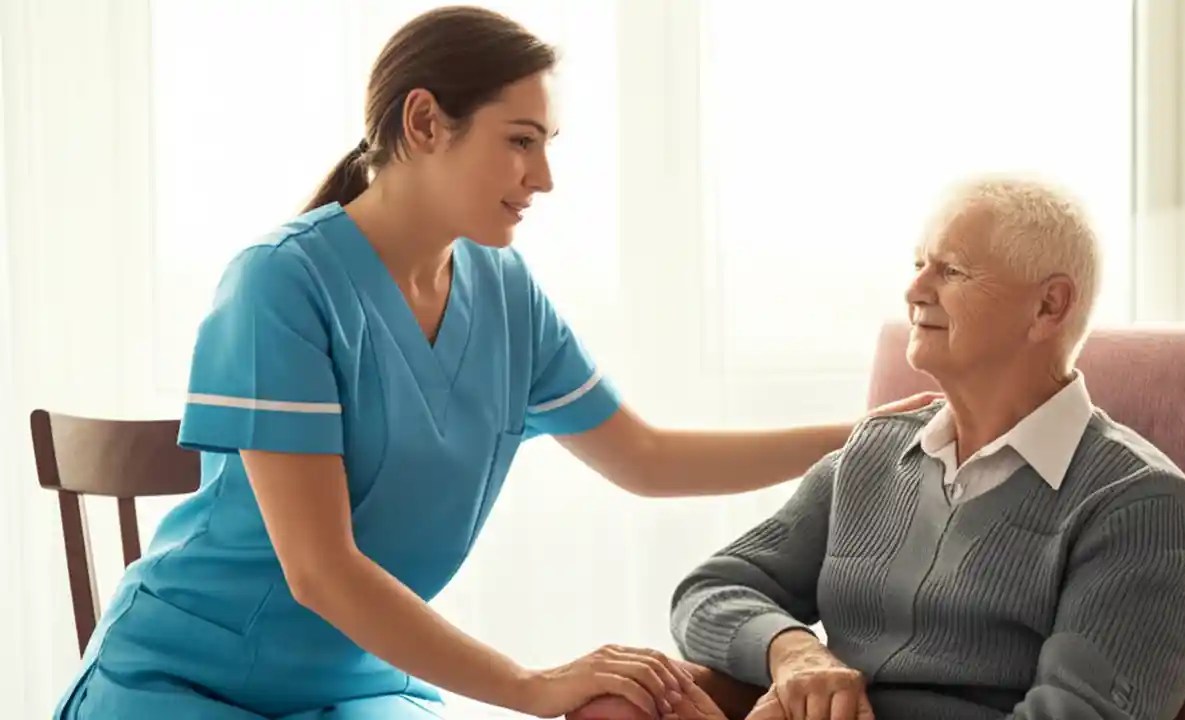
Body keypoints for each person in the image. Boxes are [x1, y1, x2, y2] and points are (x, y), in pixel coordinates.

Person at [52, 6, 934, 719]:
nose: (543, 176)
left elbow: (647, 457)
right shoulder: (280, 285)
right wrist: (526, 685)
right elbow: (317, 569)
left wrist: (861, 437)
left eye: (549, 142)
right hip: (184, 682)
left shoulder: (503, 291)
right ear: (426, 121)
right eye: (520, 140)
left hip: (350, 687)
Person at [662, 176, 1185, 720]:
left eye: (951, 271)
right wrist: (794, 652)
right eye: (918, 264)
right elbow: (711, 590)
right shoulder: (872, 455)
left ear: (1049, 306)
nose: (914, 291)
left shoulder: (1140, 505)